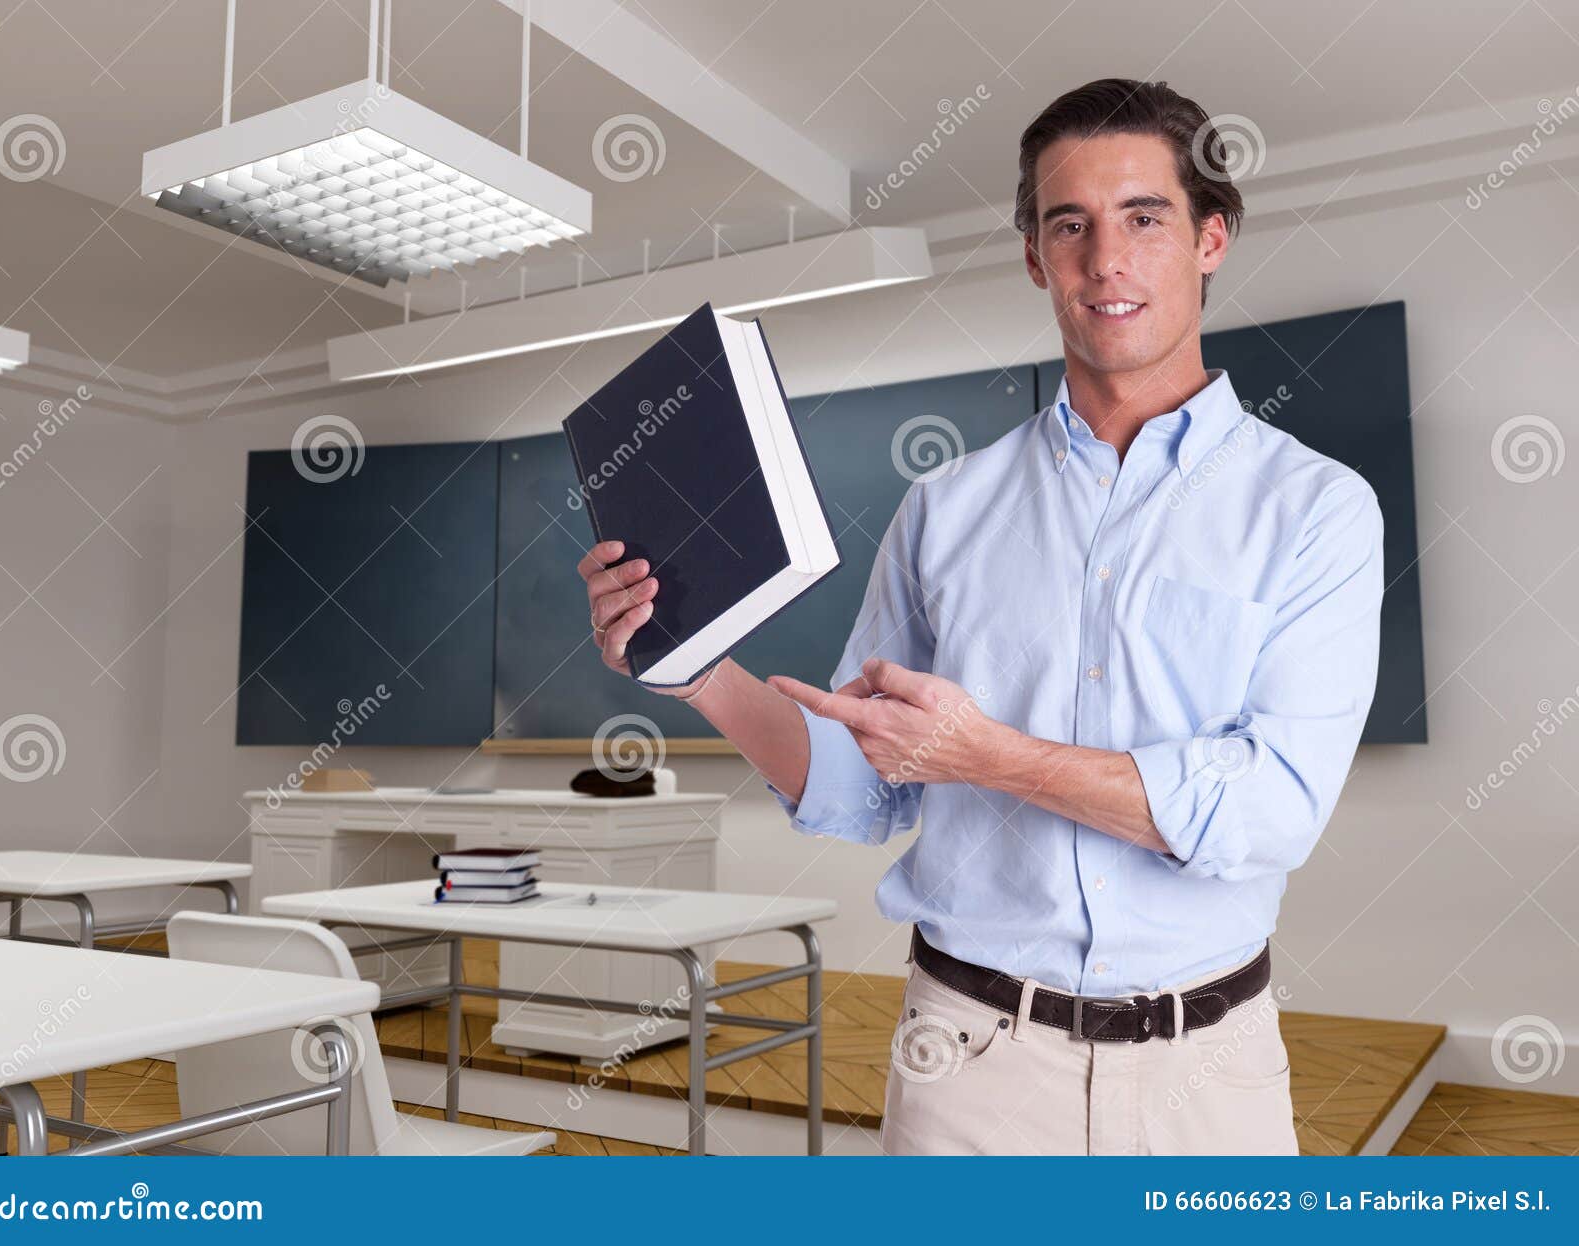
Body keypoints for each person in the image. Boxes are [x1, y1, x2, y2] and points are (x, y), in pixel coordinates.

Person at [575, 77, 1383, 1155]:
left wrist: (989, 755)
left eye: (1144, 218)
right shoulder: (944, 509)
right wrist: (691, 668)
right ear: (1033, 255)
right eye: (1069, 226)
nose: (1106, 260)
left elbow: (1270, 807)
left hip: (1211, 1076)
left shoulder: (1317, 508)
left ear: (1210, 240)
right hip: (969, 1066)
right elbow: (866, 784)